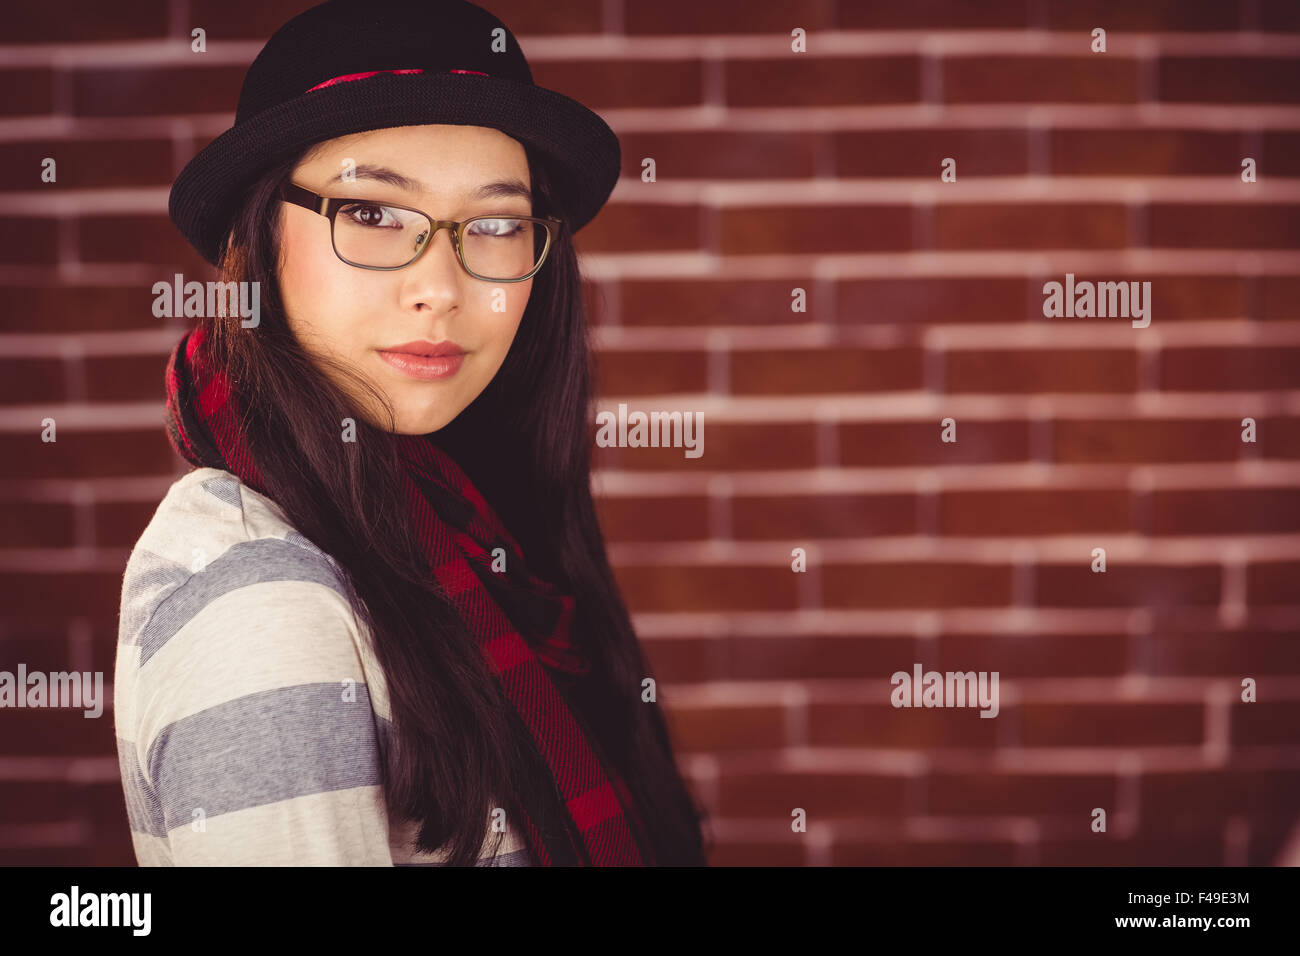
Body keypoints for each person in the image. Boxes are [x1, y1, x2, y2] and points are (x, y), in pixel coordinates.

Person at [114, 0, 711, 866]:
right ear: (261, 236)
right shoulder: (261, 596)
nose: (441, 286)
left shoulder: (470, 521)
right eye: (372, 213)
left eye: (497, 224)